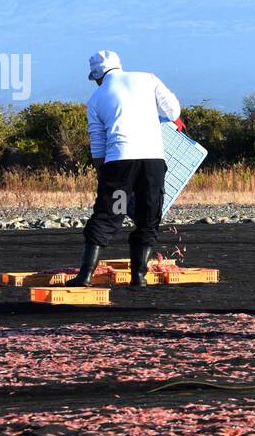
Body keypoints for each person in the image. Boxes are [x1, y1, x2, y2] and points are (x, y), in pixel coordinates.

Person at [67, 51, 182, 288]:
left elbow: (97, 144)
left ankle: (86, 276)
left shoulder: (97, 98)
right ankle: (138, 277)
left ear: (98, 74)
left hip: (120, 165)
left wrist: (104, 174)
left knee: (110, 215)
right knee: (148, 217)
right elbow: (173, 112)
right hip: (152, 164)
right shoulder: (148, 79)